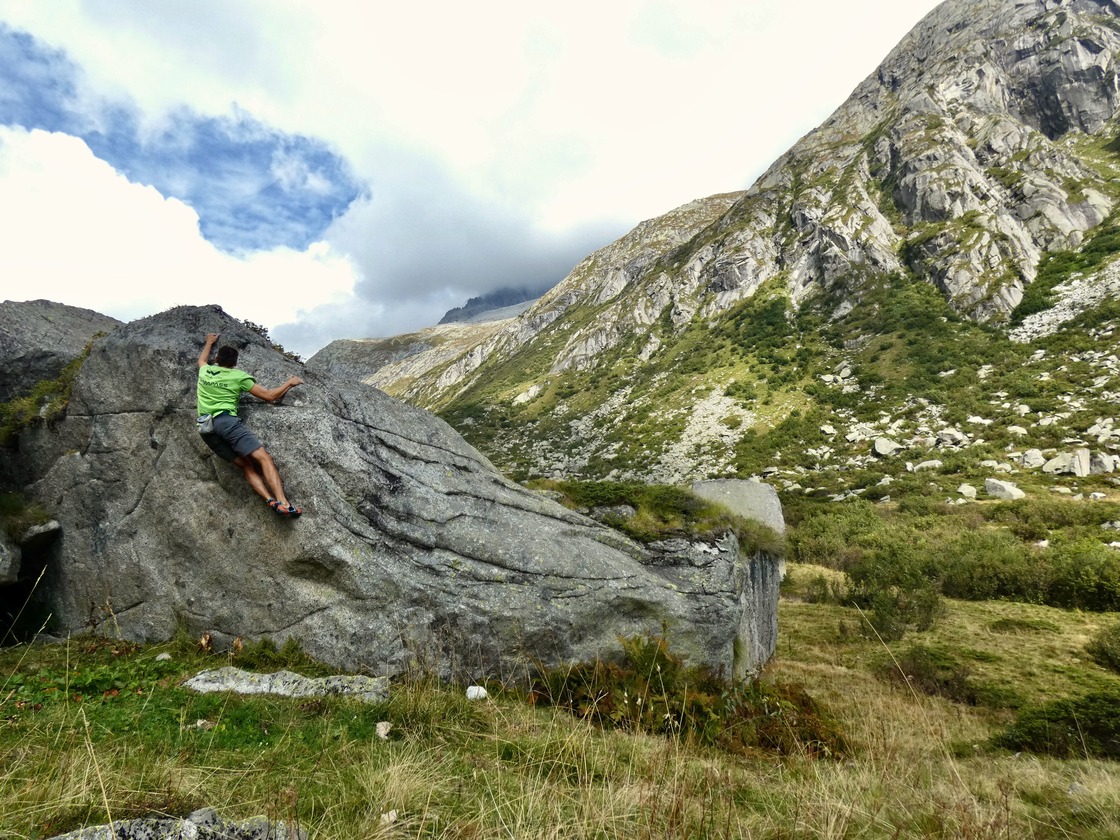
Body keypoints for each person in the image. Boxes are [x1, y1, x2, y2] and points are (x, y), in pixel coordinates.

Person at [196, 332, 305, 516]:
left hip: (205, 428)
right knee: (264, 459)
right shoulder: (238, 376)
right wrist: (290, 383)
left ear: (216, 359)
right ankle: (284, 503)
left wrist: (208, 342)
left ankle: (270, 501)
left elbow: (201, 361)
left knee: (247, 465)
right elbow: (270, 397)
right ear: (235, 364)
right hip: (226, 423)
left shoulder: (205, 371)